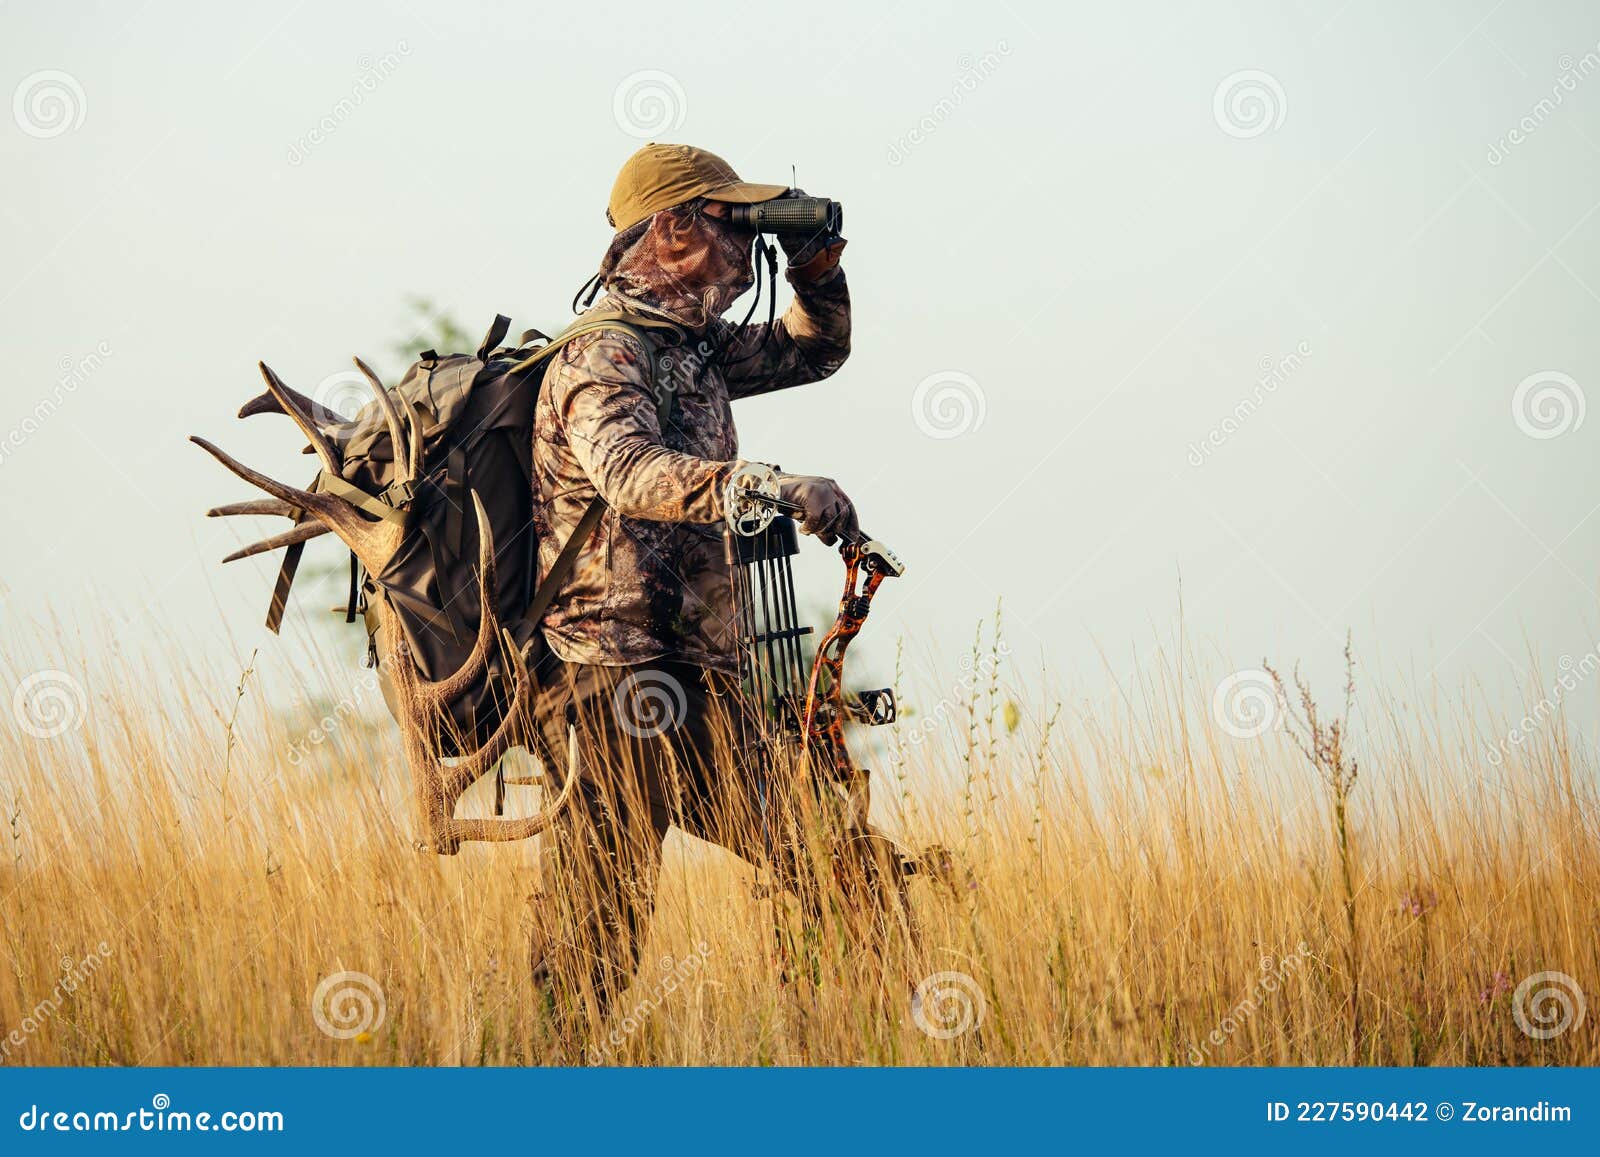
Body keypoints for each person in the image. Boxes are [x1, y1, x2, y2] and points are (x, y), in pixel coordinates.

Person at [526, 143, 861, 1039]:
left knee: (829, 854)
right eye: (730, 222)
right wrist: (770, 485)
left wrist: (816, 264)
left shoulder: (696, 349)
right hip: (610, 677)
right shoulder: (601, 355)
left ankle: (857, 1049)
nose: (746, 244)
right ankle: (549, 1082)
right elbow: (630, 473)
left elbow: (817, 350)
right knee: (595, 929)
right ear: (671, 230)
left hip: (698, 670)